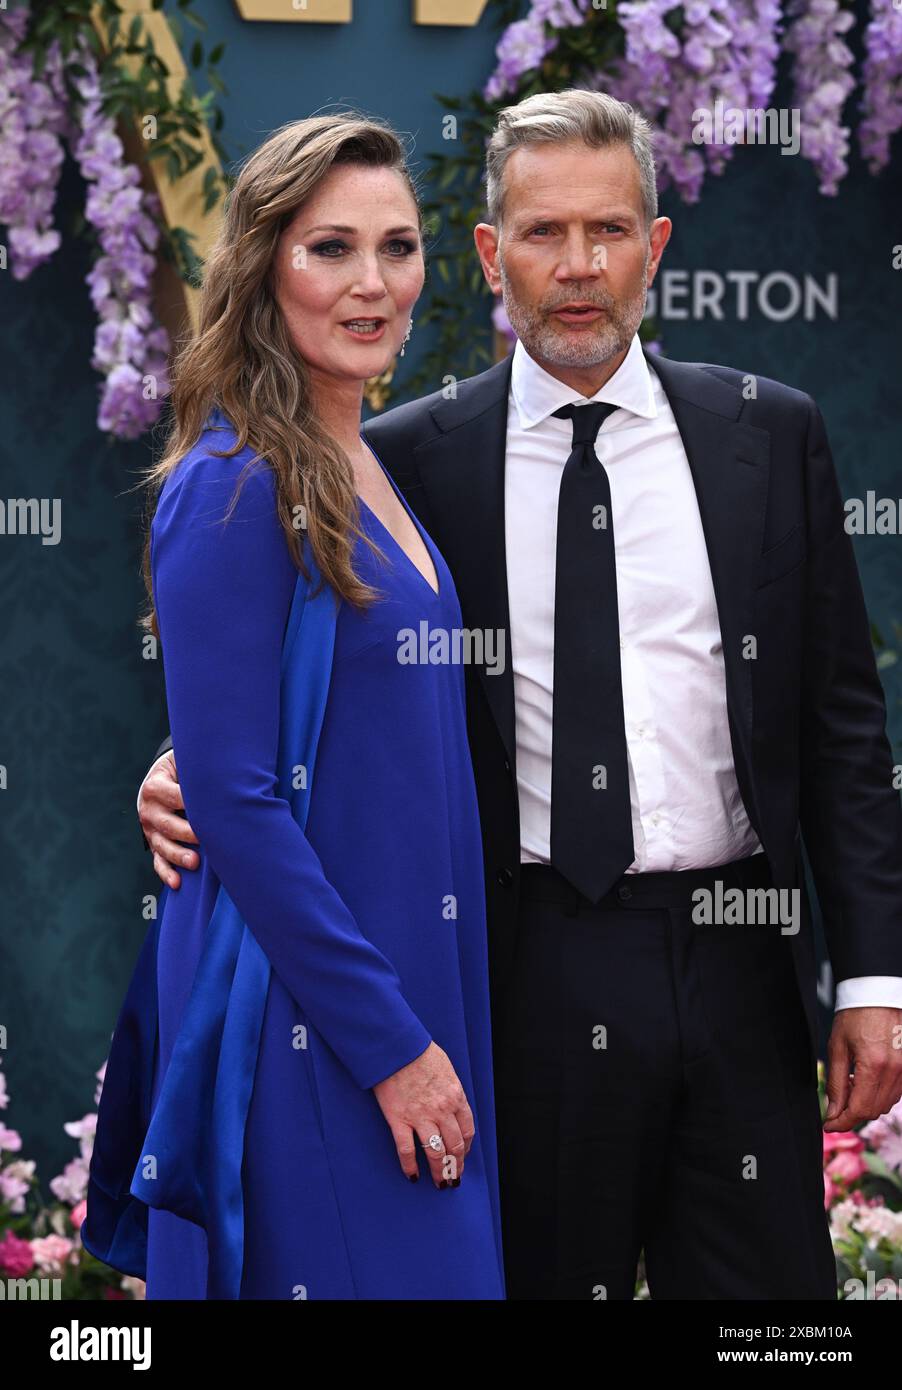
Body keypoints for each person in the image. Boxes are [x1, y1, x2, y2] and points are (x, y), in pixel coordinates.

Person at [139, 89, 902, 1300]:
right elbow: (278, 686)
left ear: (654, 246)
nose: (579, 265)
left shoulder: (769, 434)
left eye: (608, 230)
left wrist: (872, 976)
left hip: (739, 960)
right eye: (542, 233)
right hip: (521, 969)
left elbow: (843, 731)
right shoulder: (404, 454)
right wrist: (183, 775)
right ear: (494, 257)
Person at [82, 112, 505, 1300]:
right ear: (263, 265)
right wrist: (391, 1050)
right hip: (318, 1027)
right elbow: (237, 794)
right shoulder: (227, 483)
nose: (373, 283)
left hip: (419, 994)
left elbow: (308, 726)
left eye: (398, 245)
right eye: (330, 248)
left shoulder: (372, 458)